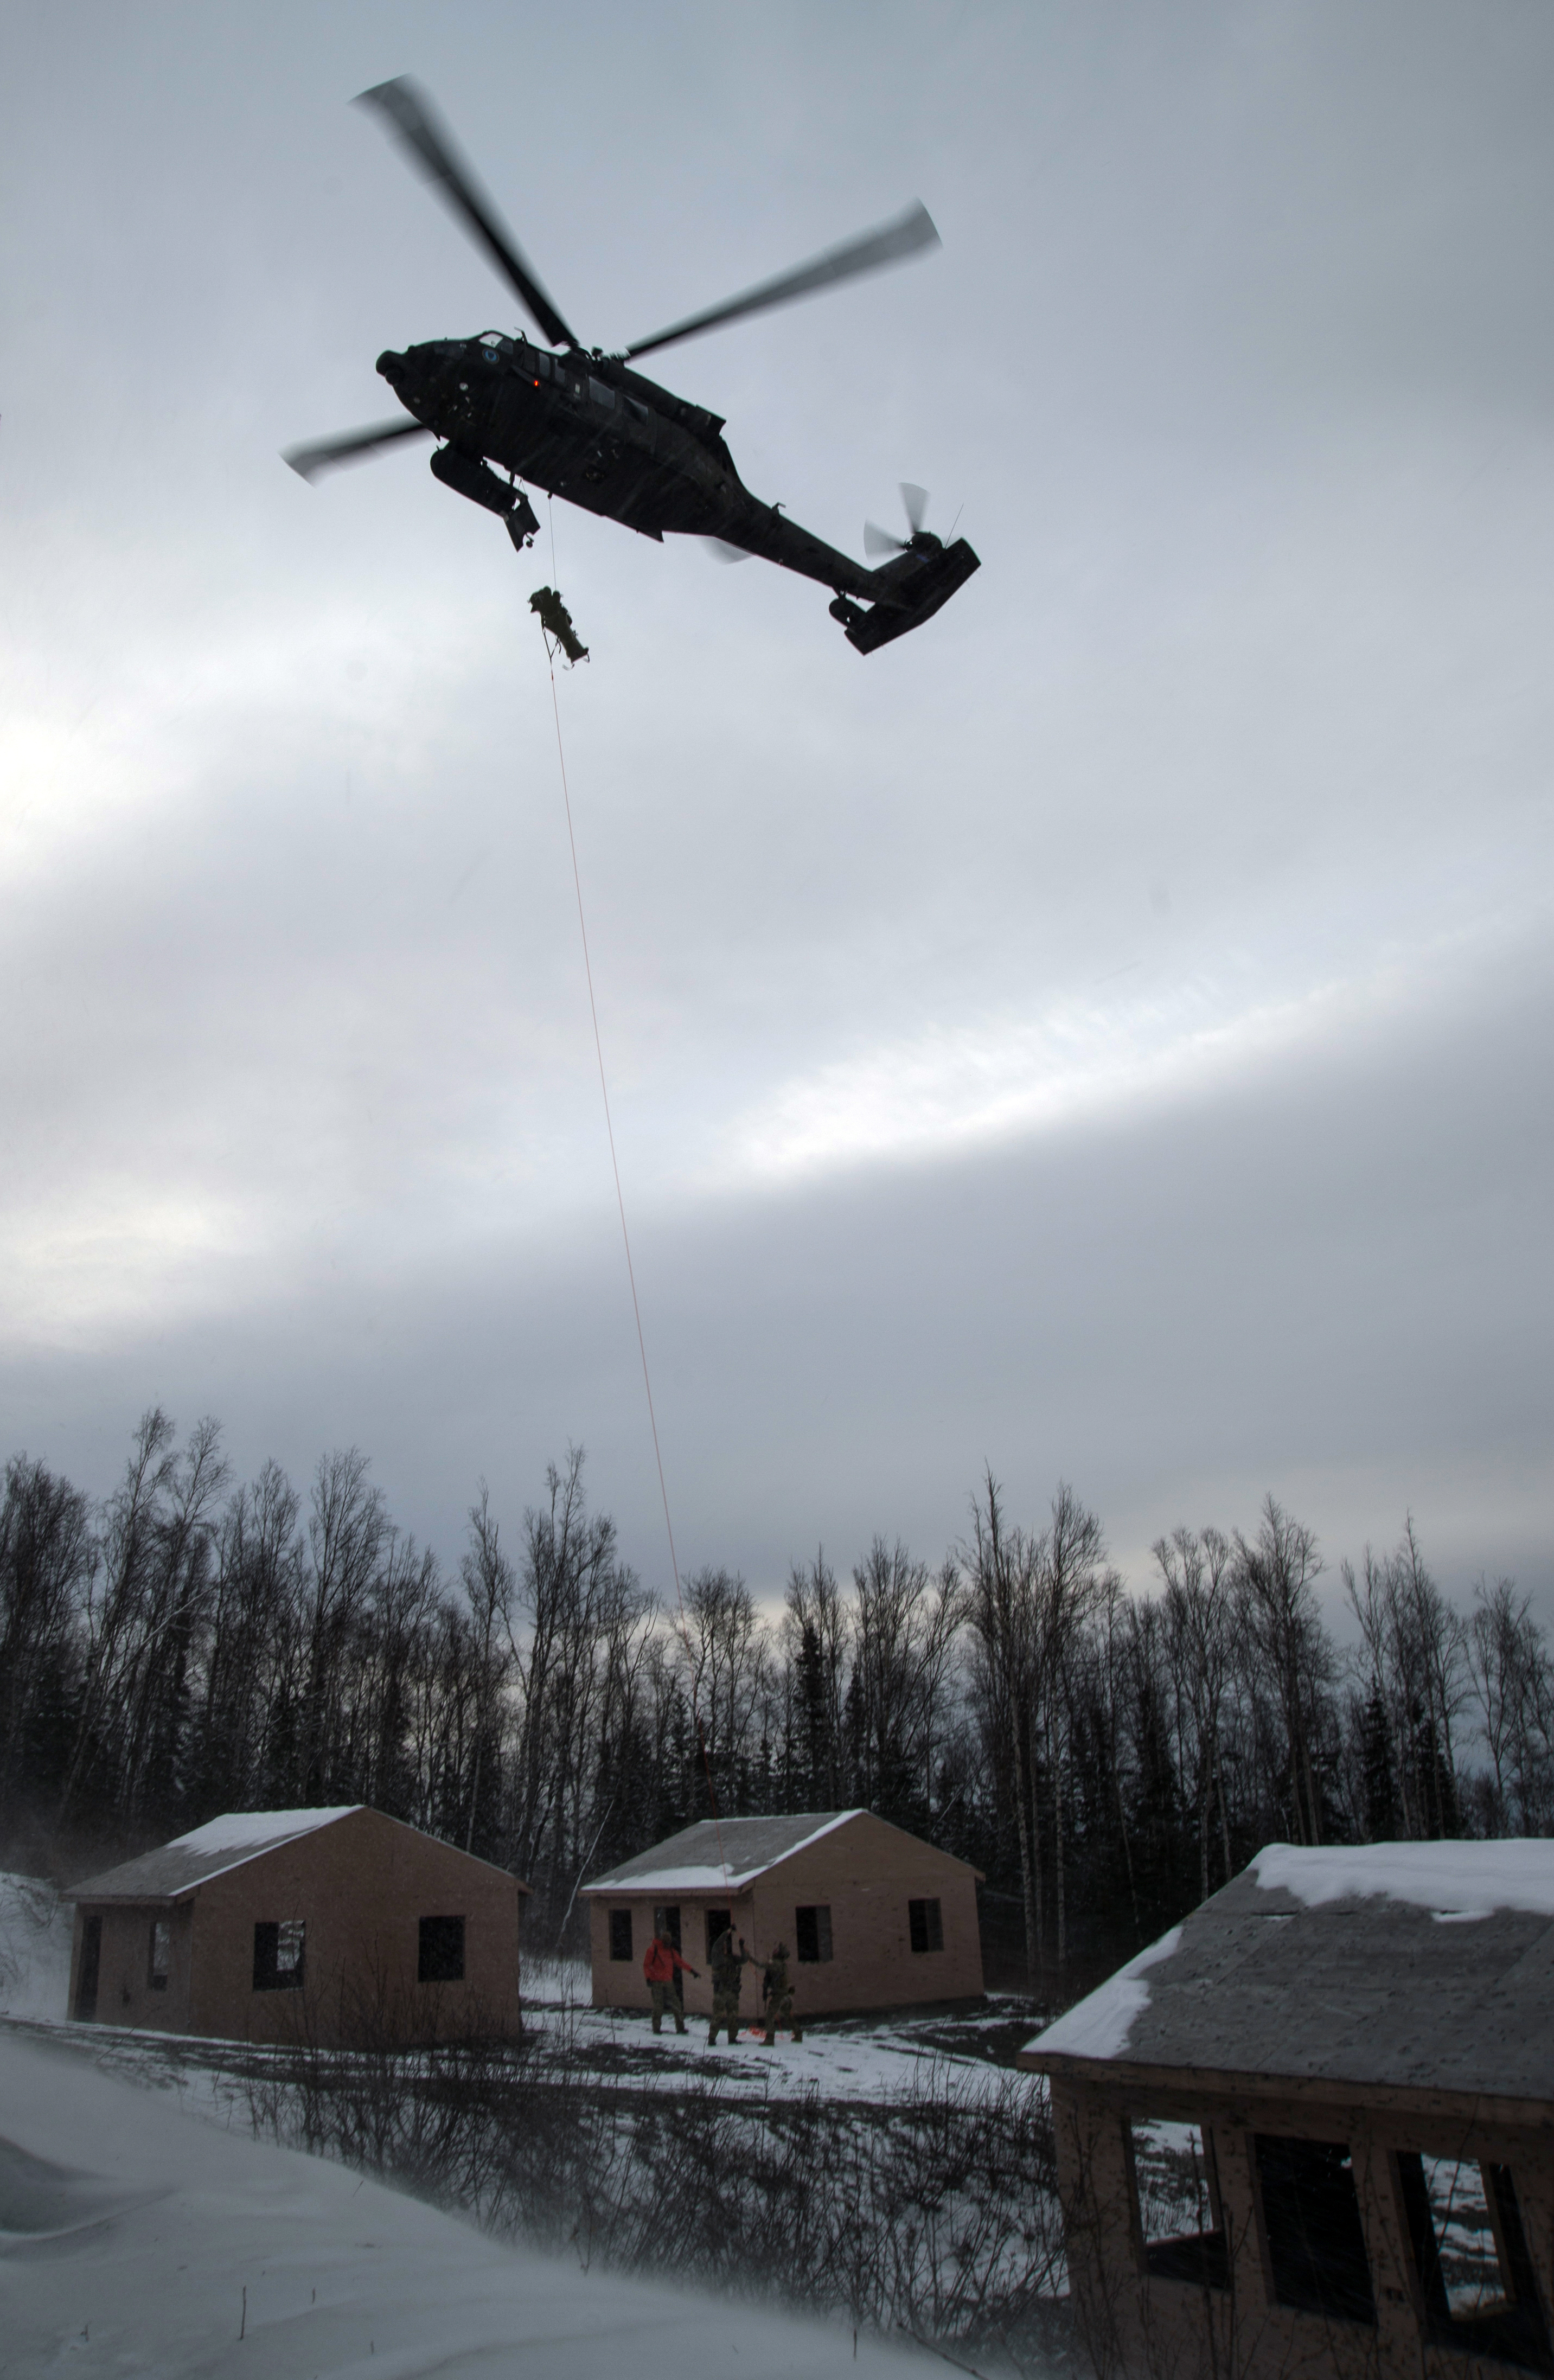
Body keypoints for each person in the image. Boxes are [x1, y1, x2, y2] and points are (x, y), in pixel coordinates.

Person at [642, 1922, 698, 2034]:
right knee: (659, 2006)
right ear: (663, 1941)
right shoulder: (653, 1950)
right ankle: (657, 2028)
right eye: (667, 1942)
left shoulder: (671, 1952)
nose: (668, 1944)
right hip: (657, 1982)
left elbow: (680, 1962)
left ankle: (680, 2028)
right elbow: (646, 1965)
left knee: (676, 2005)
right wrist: (648, 1978)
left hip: (668, 1981)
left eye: (669, 1942)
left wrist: (692, 1971)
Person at [707, 1925, 756, 2046]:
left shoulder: (731, 1958)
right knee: (718, 2016)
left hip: (732, 1992)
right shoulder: (717, 1958)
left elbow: (744, 1960)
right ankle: (712, 2039)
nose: (725, 1947)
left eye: (726, 1945)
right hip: (721, 1992)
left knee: (733, 2016)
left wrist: (741, 1946)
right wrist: (728, 1932)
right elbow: (717, 1945)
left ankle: (732, 2038)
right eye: (724, 1945)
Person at [760, 1940, 802, 2044]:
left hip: (779, 1995)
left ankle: (770, 2039)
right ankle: (798, 2034)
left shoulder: (775, 1964)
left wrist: (749, 1957)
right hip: (786, 1995)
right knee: (787, 2014)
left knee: (770, 2016)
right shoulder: (782, 1965)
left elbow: (761, 1966)